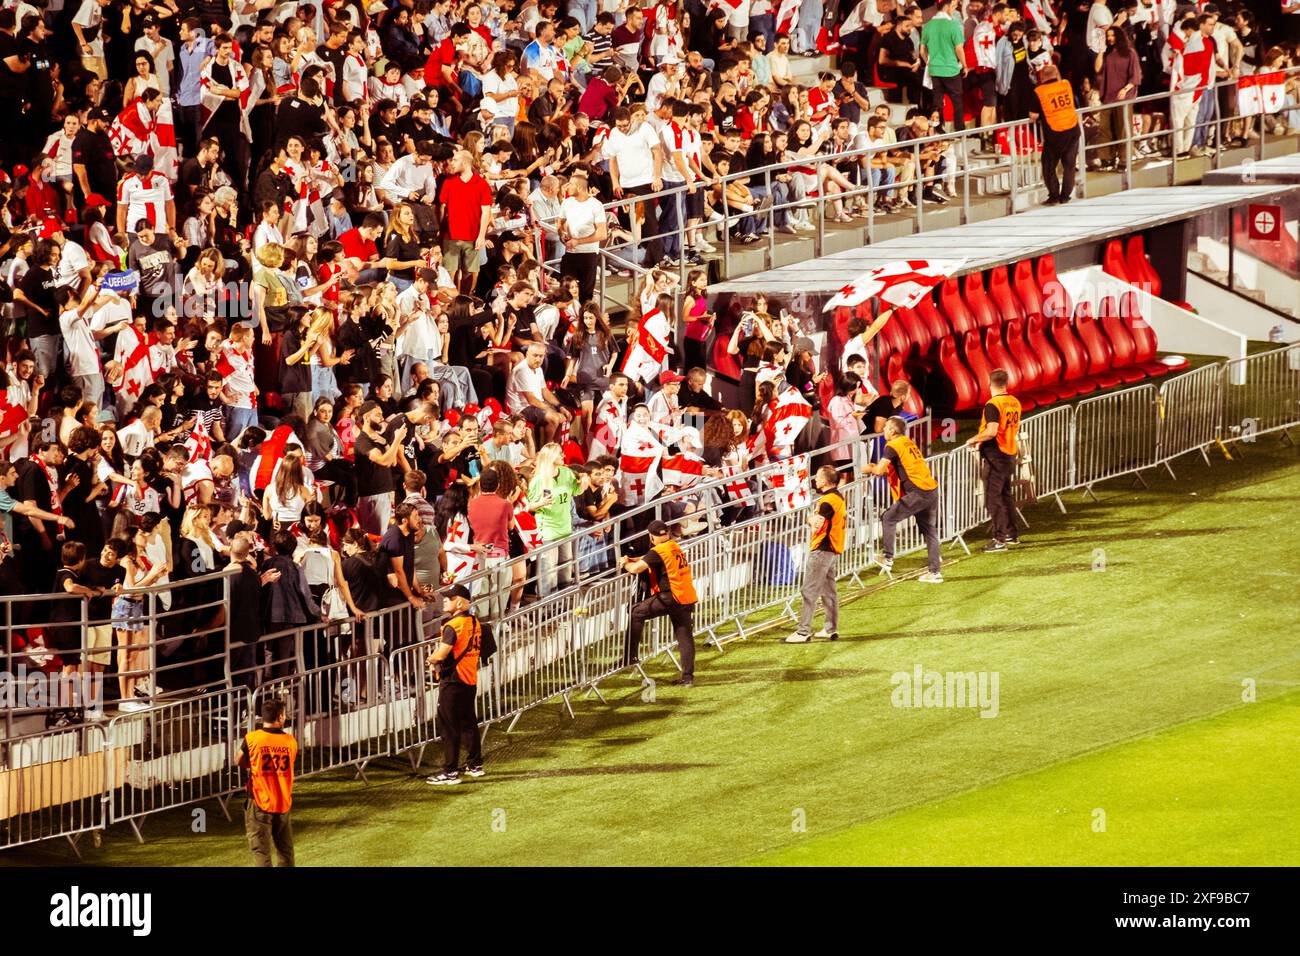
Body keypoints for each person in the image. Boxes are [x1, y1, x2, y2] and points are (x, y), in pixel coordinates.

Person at [424, 584, 491, 786]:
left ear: (460, 602)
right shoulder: (474, 621)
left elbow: (442, 653)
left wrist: (431, 659)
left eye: (449, 598)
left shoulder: (453, 625)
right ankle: (474, 765)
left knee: (449, 727)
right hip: (469, 678)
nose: (444, 600)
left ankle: (450, 772)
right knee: (468, 723)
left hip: (453, 681)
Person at [865, 416, 943, 583]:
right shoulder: (907, 442)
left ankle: (887, 557)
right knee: (930, 532)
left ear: (893, 431)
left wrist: (869, 468)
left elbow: (879, 471)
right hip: (930, 489)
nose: (884, 430)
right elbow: (902, 468)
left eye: (886, 427)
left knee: (888, 517)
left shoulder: (892, 445)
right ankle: (935, 572)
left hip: (919, 492)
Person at [621, 519, 698, 687]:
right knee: (684, 636)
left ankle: (630, 656)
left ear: (651, 536)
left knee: (636, 612)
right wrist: (636, 559)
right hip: (686, 595)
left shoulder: (657, 551)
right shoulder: (673, 545)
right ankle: (687, 678)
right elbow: (650, 558)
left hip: (671, 596)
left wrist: (625, 563)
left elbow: (635, 569)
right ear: (667, 534)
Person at [784, 466, 846, 644]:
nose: (815, 479)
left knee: (809, 591)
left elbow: (817, 525)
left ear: (826, 481)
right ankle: (830, 628)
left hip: (822, 549)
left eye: (818, 477)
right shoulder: (838, 497)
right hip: (832, 549)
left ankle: (803, 631)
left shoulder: (827, 501)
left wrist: (809, 519)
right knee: (829, 592)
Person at [237, 697, 298, 867]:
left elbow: (238, 760)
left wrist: (253, 764)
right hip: (283, 802)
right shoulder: (290, 741)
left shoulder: (252, 739)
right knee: (285, 851)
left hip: (260, 801)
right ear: (280, 717)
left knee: (261, 851)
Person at [965, 368, 1022, 551]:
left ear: (989, 385)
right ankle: (1012, 534)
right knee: (1006, 496)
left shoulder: (993, 404)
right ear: (1006, 383)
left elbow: (991, 431)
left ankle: (1000, 539)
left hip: (996, 456)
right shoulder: (1014, 402)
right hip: (1009, 453)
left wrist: (974, 439)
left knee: (993, 498)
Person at [1030, 64, 1081, 205]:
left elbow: (1033, 115)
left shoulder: (1039, 91)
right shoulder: (1066, 84)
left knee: (1048, 165)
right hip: (1073, 130)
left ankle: (1054, 196)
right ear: (1056, 74)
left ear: (1041, 77)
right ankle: (1065, 197)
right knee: (1069, 165)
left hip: (1055, 134)